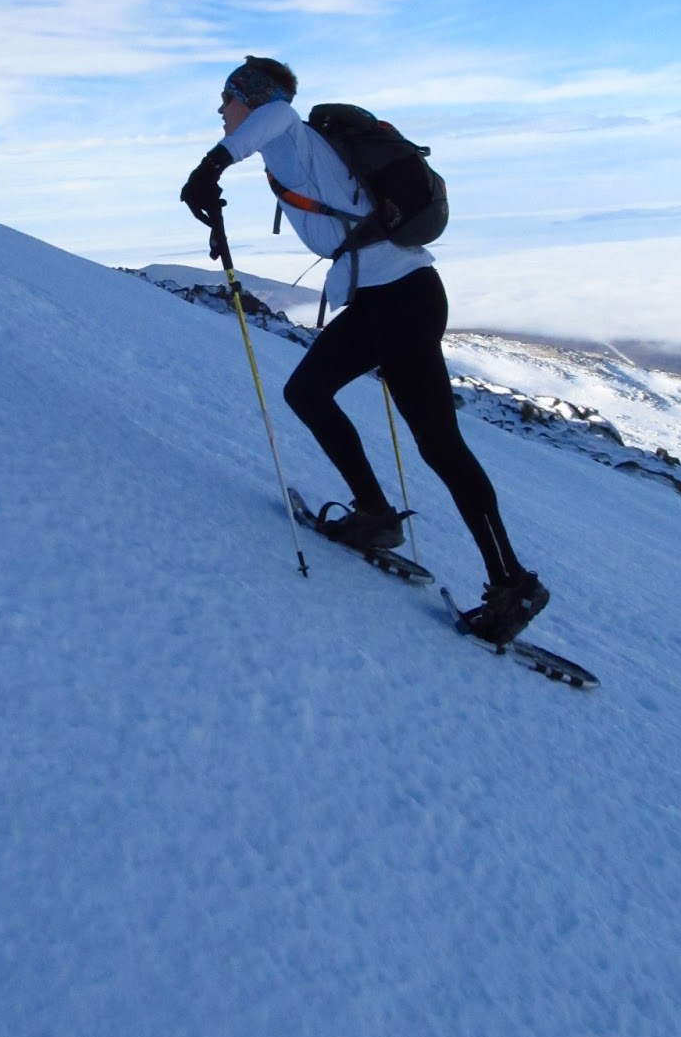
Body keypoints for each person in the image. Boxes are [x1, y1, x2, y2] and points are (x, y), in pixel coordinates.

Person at [181, 55, 549, 646]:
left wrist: (212, 166)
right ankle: (375, 515)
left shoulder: (284, 128)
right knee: (306, 391)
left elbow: (278, 112)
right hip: (384, 300)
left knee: (439, 444)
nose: (221, 110)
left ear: (248, 98)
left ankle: (513, 583)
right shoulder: (290, 149)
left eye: (226, 99)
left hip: (402, 298)